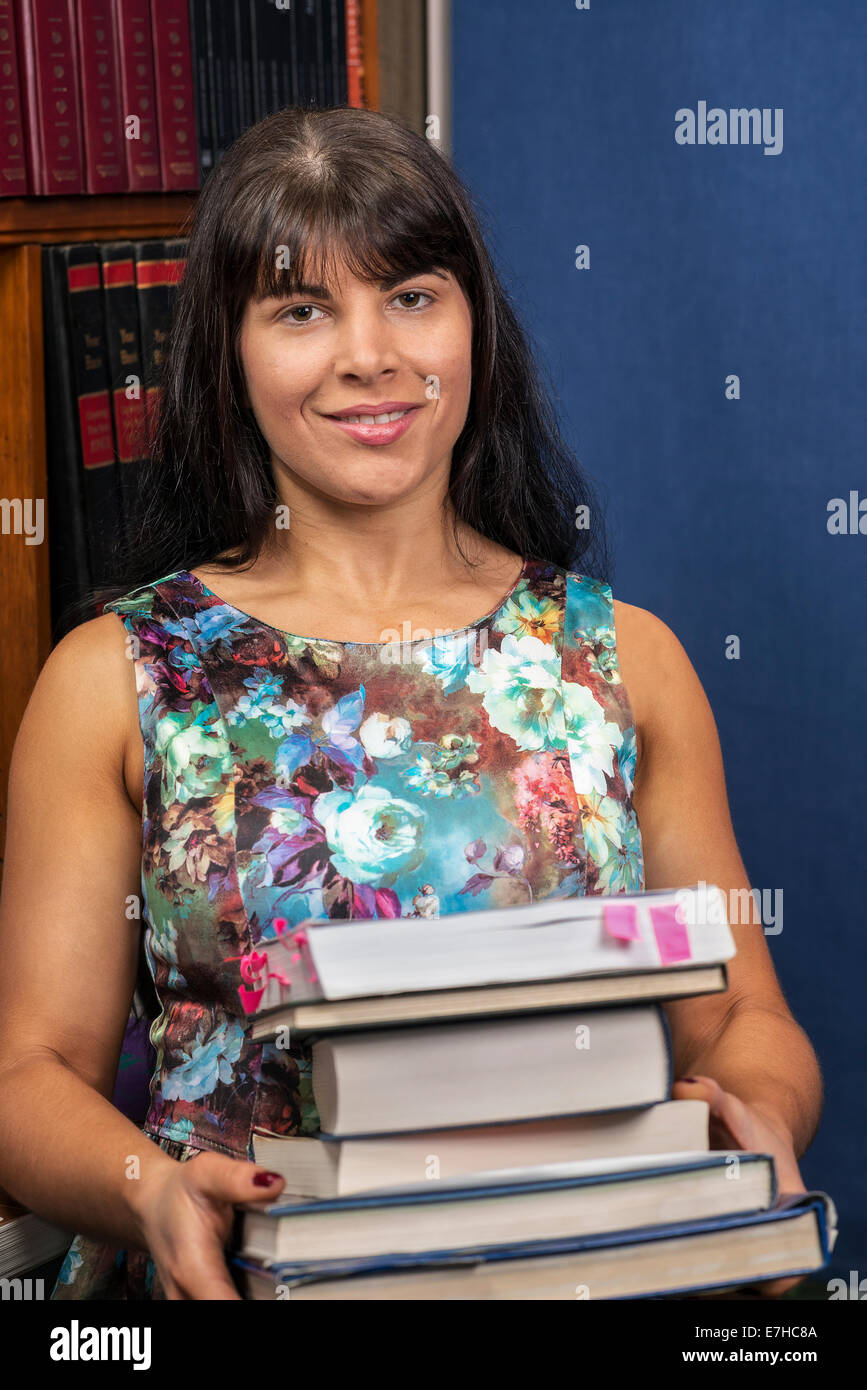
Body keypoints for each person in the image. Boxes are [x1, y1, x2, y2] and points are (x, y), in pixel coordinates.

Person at [0, 106, 821, 1301]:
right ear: (228, 352)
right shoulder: (115, 677)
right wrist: (148, 1183)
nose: (369, 355)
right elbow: (28, 1074)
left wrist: (751, 1123)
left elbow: (746, 1014)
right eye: (301, 309)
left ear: (475, 324)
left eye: (413, 296)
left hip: (574, 1275)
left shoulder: (626, 660)